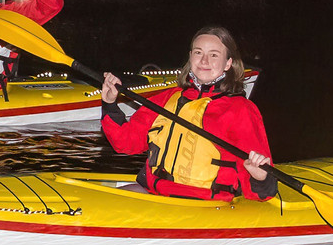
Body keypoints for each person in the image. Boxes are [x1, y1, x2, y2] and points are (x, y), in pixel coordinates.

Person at [101, 28, 277, 200]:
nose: (204, 61)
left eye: (214, 55)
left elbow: (261, 192)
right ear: (191, 56)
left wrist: (259, 176)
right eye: (198, 53)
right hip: (155, 194)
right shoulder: (168, 98)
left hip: (203, 206)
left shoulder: (240, 110)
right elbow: (125, 142)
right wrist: (110, 104)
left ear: (228, 63)